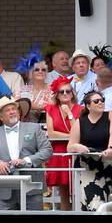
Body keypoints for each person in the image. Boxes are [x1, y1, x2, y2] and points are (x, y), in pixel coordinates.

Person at [0, 97, 51, 212]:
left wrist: (26, 160)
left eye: (14, 109)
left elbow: (47, 151)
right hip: (6, 187)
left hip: (32, 185)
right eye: (7, 110)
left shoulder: (34, 128)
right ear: (1, 117)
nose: (12, 112)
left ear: (19, 112)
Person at [67, 88, 112, 211]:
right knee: (94, 204)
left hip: (108, 163)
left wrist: (111, 148)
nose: (101, 102)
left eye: (102, 100)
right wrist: (79, 147)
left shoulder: (111, 115)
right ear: (88, 106)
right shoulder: (80, 122)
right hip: (88, 166)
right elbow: (70, 145)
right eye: (96, 101)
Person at [43, 77, 77, 212]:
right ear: (56, 94)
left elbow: (78, 130)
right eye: (61, 91)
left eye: (68, 91)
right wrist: (72, 137)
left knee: (77, 191)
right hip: (59, 152)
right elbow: (51, 133)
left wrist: (69, 113)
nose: (64, 94)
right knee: (63, 193)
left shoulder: (79, 109)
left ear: (72, 93)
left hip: (75, 153)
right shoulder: (50, 109)